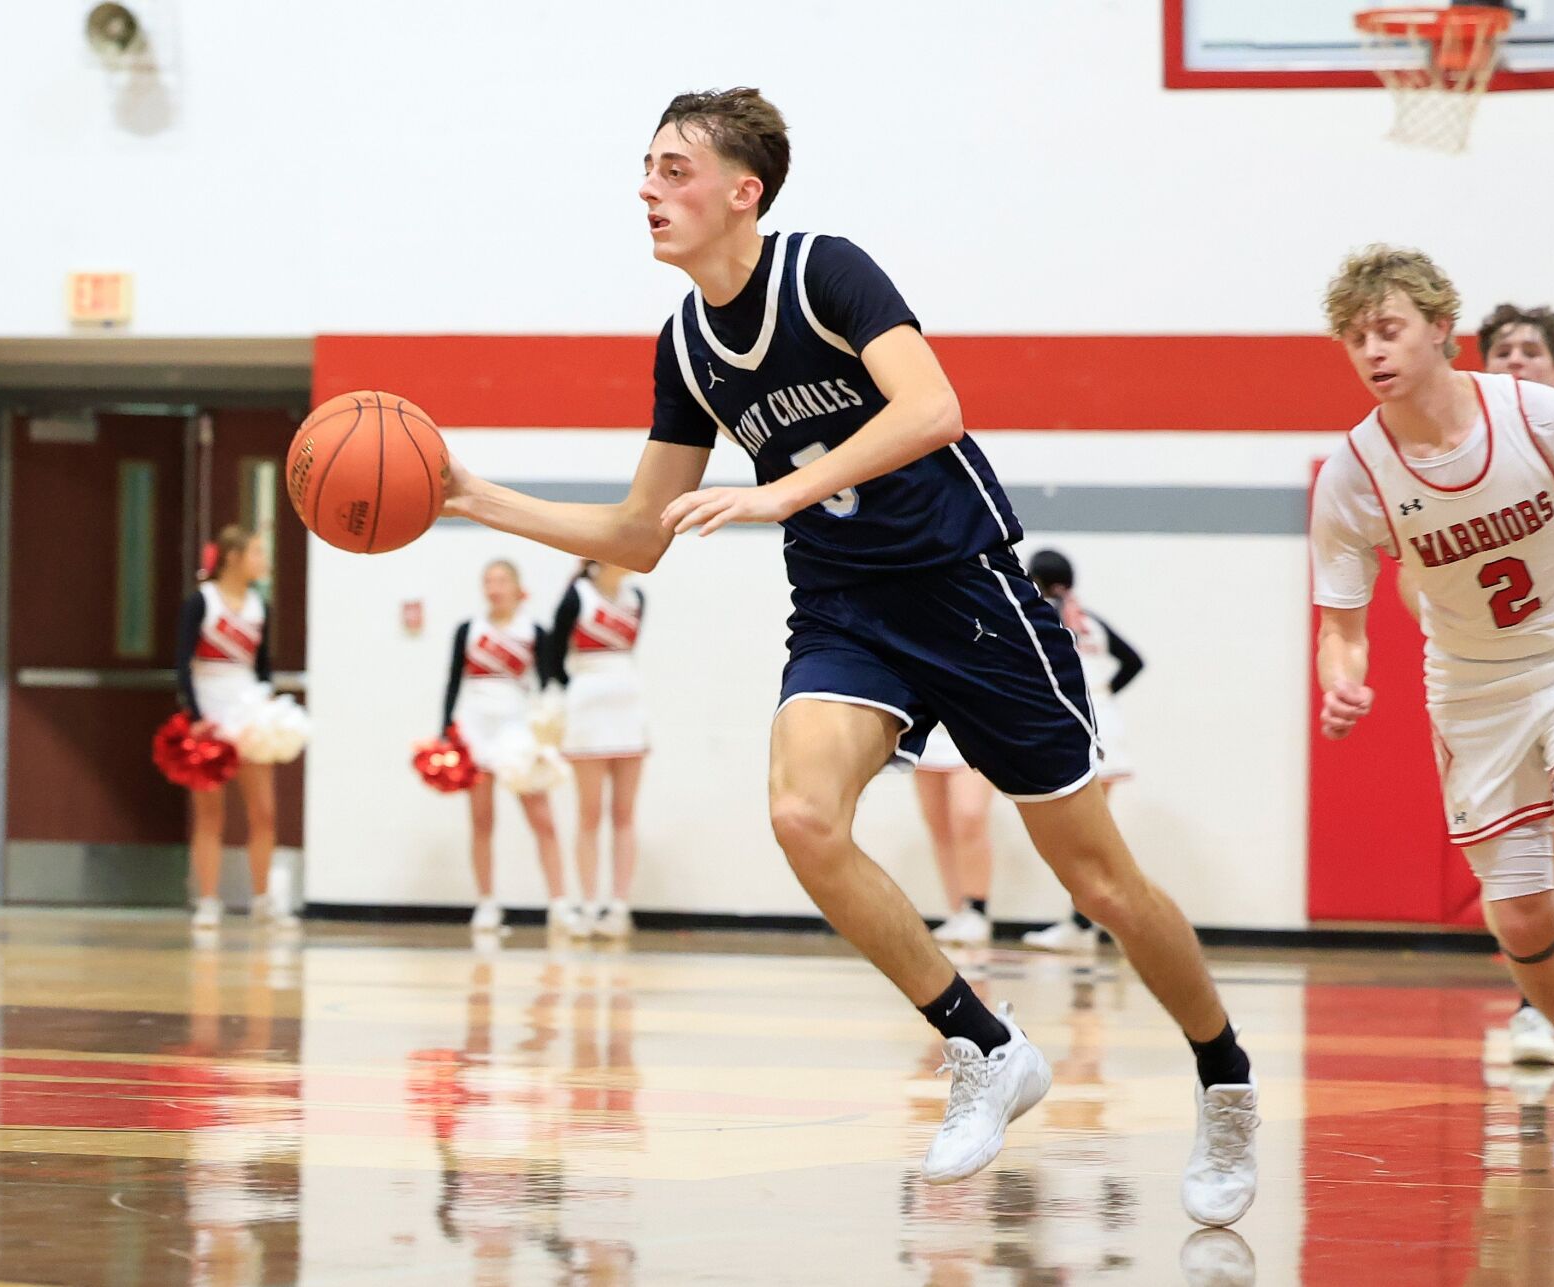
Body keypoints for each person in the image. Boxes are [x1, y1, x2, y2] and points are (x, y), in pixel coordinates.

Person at [439, 87, 1256, 1220]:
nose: (647, 189)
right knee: (803, 817)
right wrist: (472, 495)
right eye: (645, 167)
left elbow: (933, 408)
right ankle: (983, 1044)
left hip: (966, 595)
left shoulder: (825, 269)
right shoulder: (685, 344)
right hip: (844, 614)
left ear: (744, 191)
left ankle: (1225, 1077)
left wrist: (780, 491)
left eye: (673, 170)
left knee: (1099, 881)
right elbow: (641, 535)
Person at [1311, 245, 1554, 1169]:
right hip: (1470, 690)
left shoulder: (1540, 417)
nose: (1371, 350)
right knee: (1521, 926)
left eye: (1386, 329)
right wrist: (1340, 675)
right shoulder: (1353, 472)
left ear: (1438, 326)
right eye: (1354, 338)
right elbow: (1339, 623)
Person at [1395, 303, 1554, 1068]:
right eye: (1500, 350)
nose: (1513, 362)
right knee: (1522, 912)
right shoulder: (1422, 456)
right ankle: (1538, 1008)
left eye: (1530, 351)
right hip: (1483, 689)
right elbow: (1411, 579)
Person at [440, 558, 578, 936]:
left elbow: (556, 678)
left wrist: (551, 726)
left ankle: (559, 904)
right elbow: (453, 683)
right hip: (475, 728)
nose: (494, 587)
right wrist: (445, 732)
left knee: (542, 819)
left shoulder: (534, 630)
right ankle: (486, 904)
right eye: (488, 580)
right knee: (481, 821)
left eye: (501, 580)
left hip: (516, 729)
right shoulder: (468, 629)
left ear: (519, 588)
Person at [1019, 549, 1145, 954]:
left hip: (1081, 726)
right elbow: (1133, 662)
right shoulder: (1090, 620)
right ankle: (1085, 922)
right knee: (1093, 834)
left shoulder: (1041, 614)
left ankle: (1085, 922)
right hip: (1106, 722)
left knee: (1083, 839)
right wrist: (1106, 693)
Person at [176, 525, 297, 931]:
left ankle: (262, 899)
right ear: (232, 557)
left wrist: (267, 710)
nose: (263, 562)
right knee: (209, 814)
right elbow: (182, 664)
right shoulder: (201, 603)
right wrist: (195, 718)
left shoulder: (260, 605)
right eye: (257, 554)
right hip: (209, 712)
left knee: (263, 811)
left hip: (247, 710)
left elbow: (263, 668)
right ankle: (208, 901)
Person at [540, 561, 649, 940]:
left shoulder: (637, 597)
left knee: (625, 814)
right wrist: (577, 691)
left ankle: (618, 907)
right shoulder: (577, 596)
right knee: (589, 813)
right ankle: (586, 906)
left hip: (629, 709)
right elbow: (551, 658)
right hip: (587, 711)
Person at [915, 726, 996, 947]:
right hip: (927, 726)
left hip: (972, 723)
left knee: (969, 816)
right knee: (939, 827)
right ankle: (958, 911)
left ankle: (976, 908)